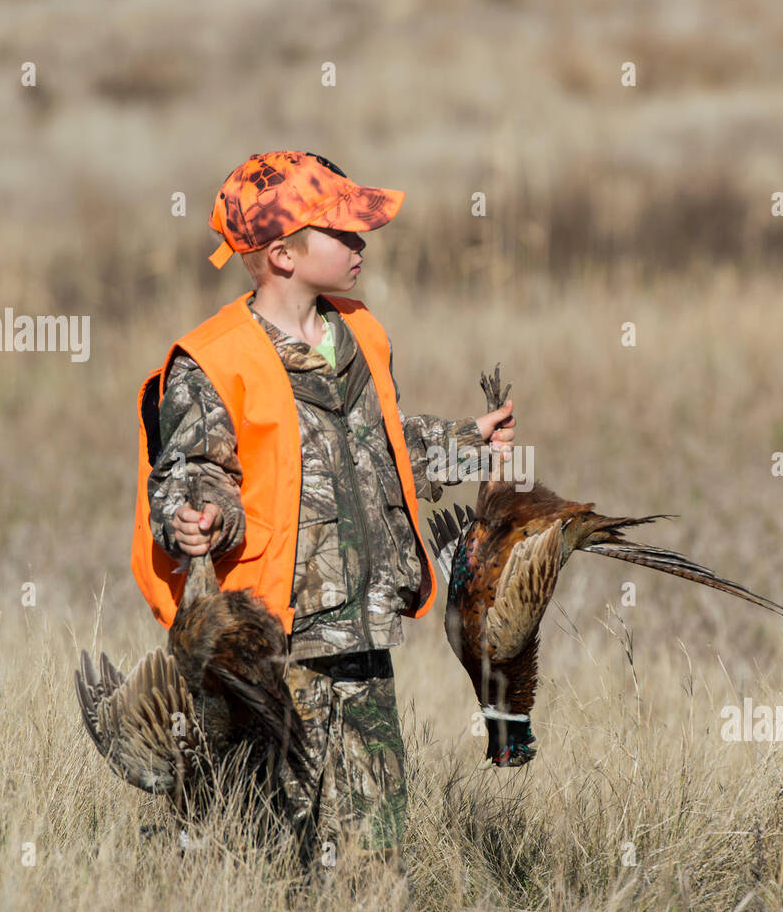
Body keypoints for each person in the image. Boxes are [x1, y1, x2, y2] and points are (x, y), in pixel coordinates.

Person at [131, 150, 515, 875]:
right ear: (282, 254)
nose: (361, 244)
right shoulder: (213, 361)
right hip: (274, 644)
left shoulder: (358, 332)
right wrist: (195, 517)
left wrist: (468, 441)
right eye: (343, 232)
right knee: (274, 847)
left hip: (363, 630)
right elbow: (191, 471)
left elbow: (382, 449)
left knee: (379, 846)